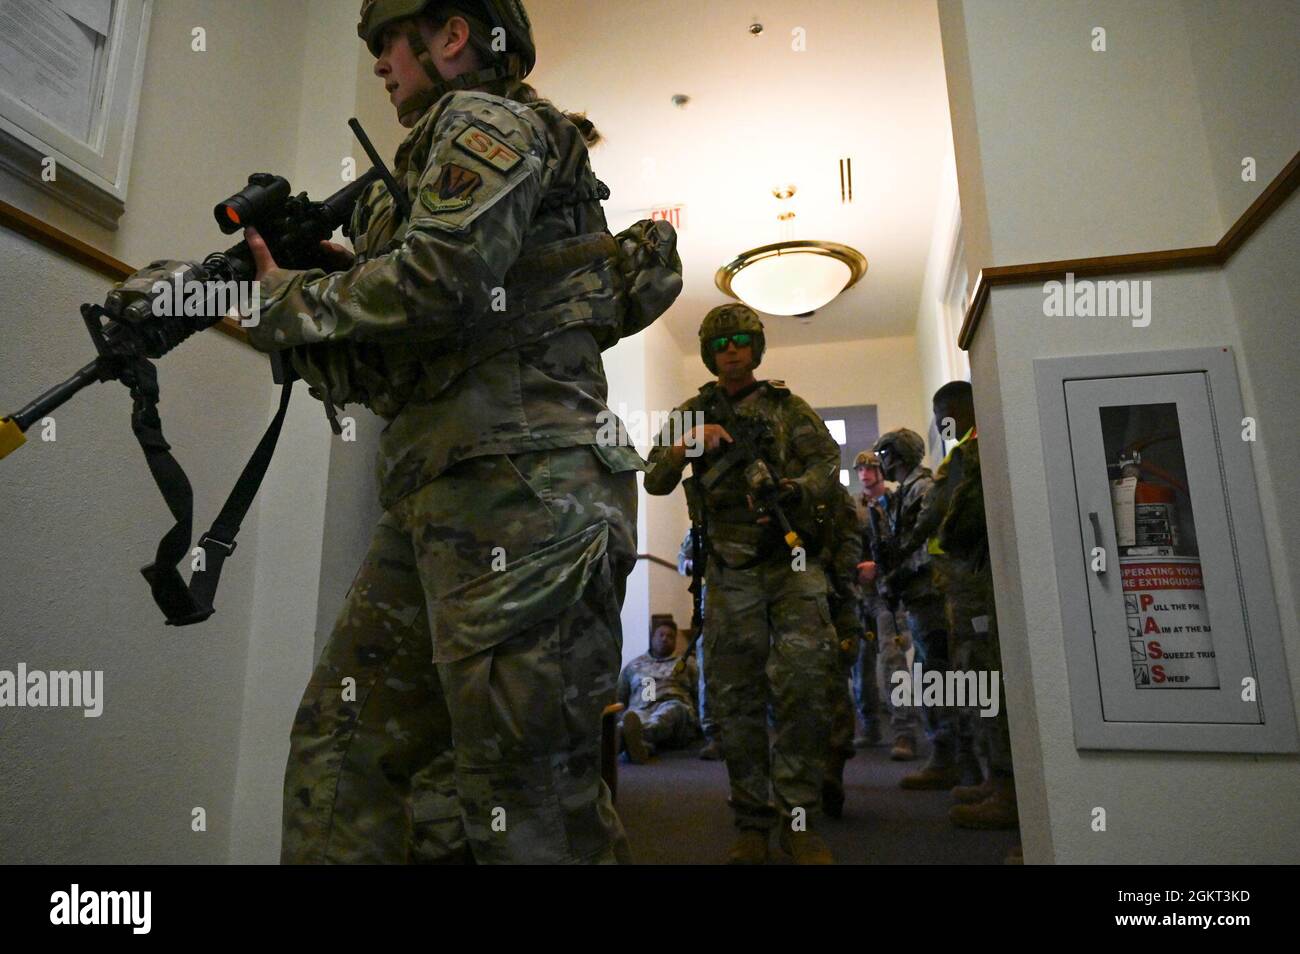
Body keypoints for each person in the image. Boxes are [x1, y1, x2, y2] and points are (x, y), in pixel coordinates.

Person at [242, 0, 669, 864]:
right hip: (439, 496)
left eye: (385, 41)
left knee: (528, 808)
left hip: (524, 497)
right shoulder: (426, 163)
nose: (377, 62)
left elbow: (443, 277)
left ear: (452, 35)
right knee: (347, 748)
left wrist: (289, 300)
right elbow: (404, 354)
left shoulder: (482, 118)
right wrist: (310, 292)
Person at [644, 303, 841, 865]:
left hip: (791, 565)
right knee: (736, 700)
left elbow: (827, 464)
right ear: (709, 353)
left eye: (741, 339)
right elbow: (655, 476)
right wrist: (690, 442)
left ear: (756, 347)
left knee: (804, 687)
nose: (732, 349)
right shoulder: (693, 411)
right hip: (727, 574)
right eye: (721, 341)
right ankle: (752, 824)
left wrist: (795, 490)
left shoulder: (786, 408)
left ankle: (799, 823)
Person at [922, 381, 1018, 830]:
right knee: (977, 682)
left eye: (945, 413)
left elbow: (946, 517)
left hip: (980, 587)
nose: (942, 424)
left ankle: (1008, 791)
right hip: (966, 587)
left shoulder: (978, 452)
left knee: (990, 683)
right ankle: (994, 777)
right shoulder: (961, 454)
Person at [872, 428, 979, 791]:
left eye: (884, 455)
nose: (880, 462)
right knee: (934, 674)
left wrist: (896, 576)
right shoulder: (909, 491)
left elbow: (928, 546)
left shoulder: (921, 489)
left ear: (896, 456)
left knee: (938, 676)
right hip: (922, 595)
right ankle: (954, 757)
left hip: (931, 594)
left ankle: (953, 758)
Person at [854, 450, 919, 761]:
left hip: (889, 593)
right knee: (860, 663)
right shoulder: (852, 507)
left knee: (893, 660)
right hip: (858, 594)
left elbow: (909, 545)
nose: (865, 474)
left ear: (881, 471)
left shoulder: (898, 502)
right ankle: (869, 726)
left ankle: (905, 731)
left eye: (870, 468)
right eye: (860, 469)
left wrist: (878, 568)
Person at [821, 484, 865, 818]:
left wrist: (837, 576)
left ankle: (831, 772)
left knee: (835, 681)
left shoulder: (836, 497)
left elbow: (851, 540)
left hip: (836, 600)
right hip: (792, 603)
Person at [616, 620, 699, 764]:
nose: (664, 639)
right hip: (641, 709)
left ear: (675, 641)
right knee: (633, 717)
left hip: (676, 710)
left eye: (670, 636)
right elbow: (620, 699)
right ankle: (639, 747)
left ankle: (623, 739)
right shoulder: (633, 666)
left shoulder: (688, 663)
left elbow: (701, 693)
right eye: (660, 635)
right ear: (652, 638)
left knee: (669, 712)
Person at [677, 527, 721, 759]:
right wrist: (692, 566)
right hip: (712, 608)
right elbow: (682, 559)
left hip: (752, 605)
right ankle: (714, 734)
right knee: (709, 671)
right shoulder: (701, 528)